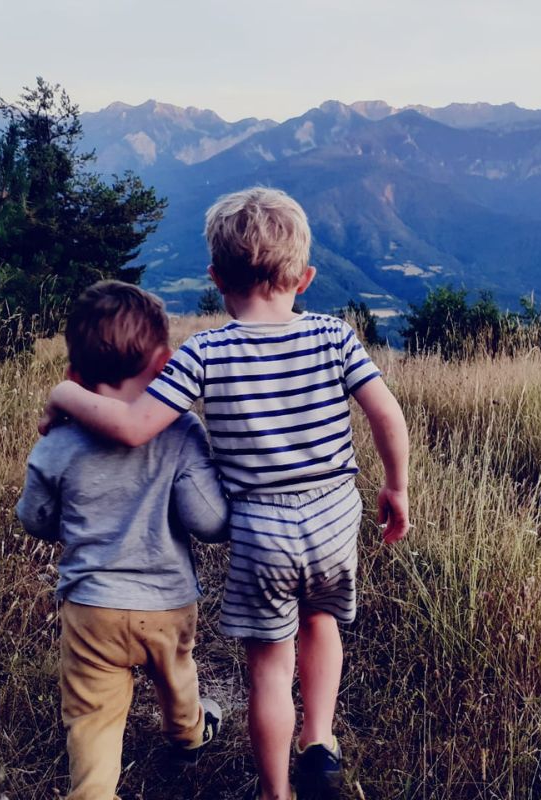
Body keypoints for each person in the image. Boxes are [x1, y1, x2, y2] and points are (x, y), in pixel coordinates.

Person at [38, 187, 412, 800]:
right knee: (322, 623)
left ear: (215, 279)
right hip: (333, 515)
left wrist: (64, 395)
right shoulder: (335, 337)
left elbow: (134, 428)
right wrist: (395, 486)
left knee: (269, 665)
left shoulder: (205, 352)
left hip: (261, 527)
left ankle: (276, 793)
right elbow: (386, 415)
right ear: (306, 277)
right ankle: (318, 743)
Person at [17, 280, 230, 800]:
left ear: (74, 377)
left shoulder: (58, 442)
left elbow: (36, 519)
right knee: (177, 671)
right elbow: (208, 521)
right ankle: (188, 733)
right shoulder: (181, 431)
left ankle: (92, 792)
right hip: (167, 603)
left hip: (92, 606)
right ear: (163, 366)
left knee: (92, 713)